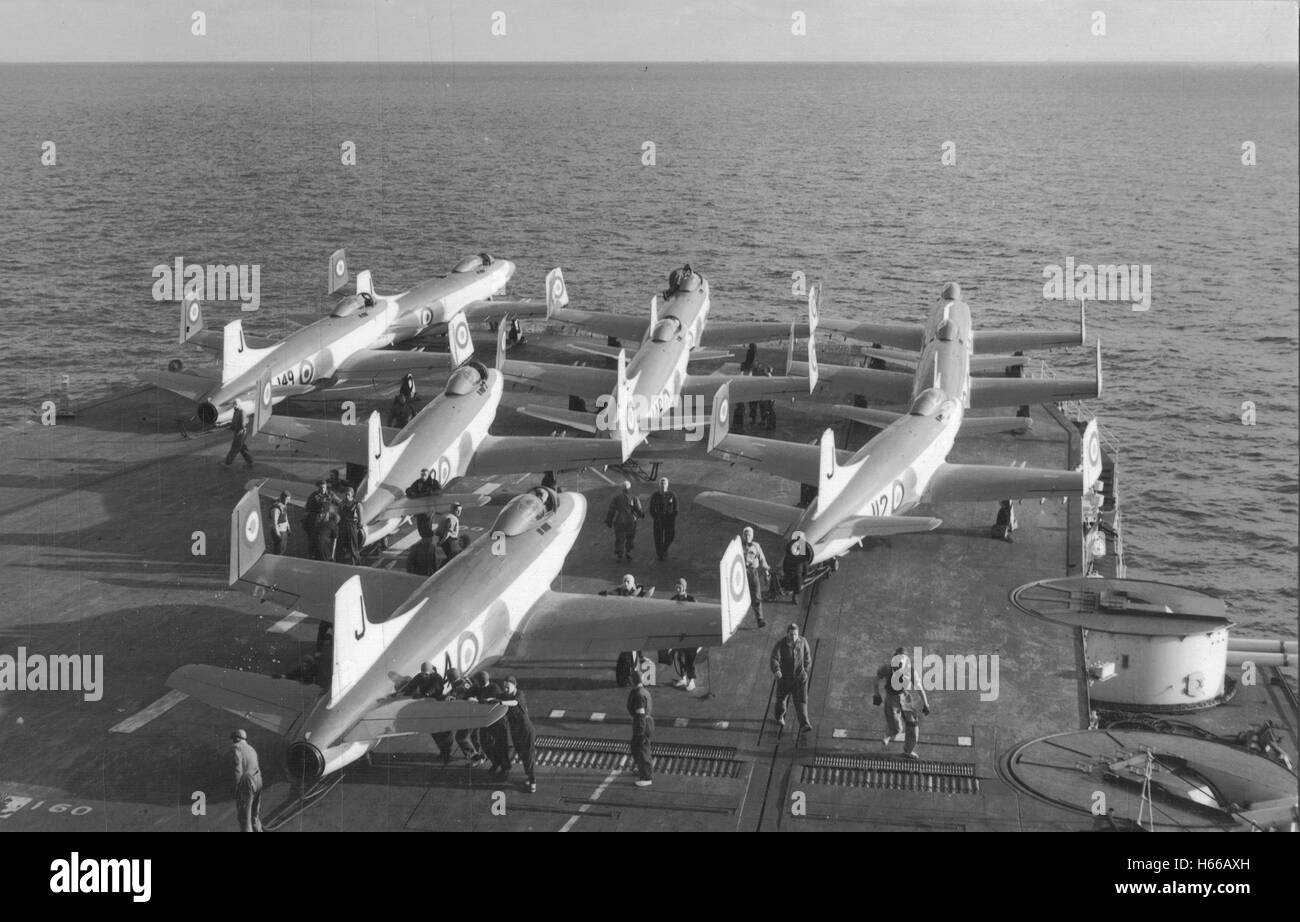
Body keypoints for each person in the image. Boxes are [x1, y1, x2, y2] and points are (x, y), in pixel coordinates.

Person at [874, 647, 931, 759]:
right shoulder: (887, 668)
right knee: (897, 729)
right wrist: (876, 694)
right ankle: (889, 732)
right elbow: (876, 679)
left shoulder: (911, 671)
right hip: (891, 699)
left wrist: (926, 704)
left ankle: (908, 751)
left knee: (913, 726)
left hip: (905, 698)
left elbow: (919, 688)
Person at [770, 623, 813, 733]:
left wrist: (806, 670)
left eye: (795, 634)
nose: (793, 637)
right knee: (781, 700)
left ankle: (804, 724)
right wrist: (777, 670)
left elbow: (807, 657)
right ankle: (779, 716)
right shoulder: (780, 644)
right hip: (785, 679)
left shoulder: (803, 642)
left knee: (801, 701)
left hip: (799, 679)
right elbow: (774, 658)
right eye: (791, 634)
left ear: (798, 634)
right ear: (787, 634)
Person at [499, 676, 537, 792]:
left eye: (507, 687)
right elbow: (497, 697)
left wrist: (501, 702)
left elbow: (515, 702)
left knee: (529, 756)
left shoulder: (519, 694)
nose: (505, 689)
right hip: (516, 731)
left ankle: (533, 781)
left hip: (526, 730)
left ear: (514, 685)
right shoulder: (506, 696)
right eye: (504, 687)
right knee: (523, 755)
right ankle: (529, 777)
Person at [470, 671, 511, 777]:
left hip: (497, 721)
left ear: (481, 681)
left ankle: (505, 768)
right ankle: (496, 763)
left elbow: (493, 702)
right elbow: (469, 693)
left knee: (501, 746)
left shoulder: (494, 689)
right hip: (486, 721)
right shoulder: (478, 688)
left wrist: (479, 701)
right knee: (485, 743)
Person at [444, 668, 485, 765]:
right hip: (477, 712)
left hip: (469, 715)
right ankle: (482, 755)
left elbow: (454, 696)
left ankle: (476, 758)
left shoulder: (458, 687)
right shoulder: (466, 680)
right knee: (474, 736)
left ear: (451, 679)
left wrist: (449, 697)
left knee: (461, 737)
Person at [669, 578, 699, 691]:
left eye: (680, 586)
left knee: (689, 658)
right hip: (678, 633)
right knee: (680, 656)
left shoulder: (692, 600)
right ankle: (683, 677)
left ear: (684, 587)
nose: (678, 588)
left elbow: (697, 615)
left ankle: (691, 680)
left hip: (690, 633)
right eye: (676, 586)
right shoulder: (672, 600)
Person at [231, 728, 263, 832]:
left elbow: (238, 769)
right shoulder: (251, 748)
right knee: (255, 816)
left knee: (244, 817)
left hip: (248, 781)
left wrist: (236, 787)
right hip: (258, 779)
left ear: (237, 738)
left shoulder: (237, 748)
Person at [605, 481, 645, 561]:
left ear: (622, 488)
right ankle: (628, 551)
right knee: (630, 536)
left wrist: (609, 520)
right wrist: (641, 515)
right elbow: (639, 509)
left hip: (620, 520)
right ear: (629, 488)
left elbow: (611, 510)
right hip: (631, 520)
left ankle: (620, 554)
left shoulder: (617, 498)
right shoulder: (634, 497)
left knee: (619, 537)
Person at [627, 671, 654, 787]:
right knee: (635, 747)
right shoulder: (642, 691)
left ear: (632, 680)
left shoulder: (639, 695)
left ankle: (647, 777)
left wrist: (640, 732)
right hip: (643, 722)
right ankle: (642, 769)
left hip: (642, 724)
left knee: (642, 749)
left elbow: (640, 714)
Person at [741, 527, 770, 628]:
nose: (747, 536)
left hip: (753, 573)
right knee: (739, 597)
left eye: (749, 535)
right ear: (742, 535)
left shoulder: (756, 546)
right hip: (741, 573)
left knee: (757, 596)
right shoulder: (737, 546)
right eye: (745, 534)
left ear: (752, 536)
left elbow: (762, 559)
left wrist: (766, 571)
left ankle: (760, 619)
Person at [648, 477, 679, 561]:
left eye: (665, 484)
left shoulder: (672, 495)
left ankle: (664, 549)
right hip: (658, 520)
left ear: (667, 485)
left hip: (669, 520)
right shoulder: (655, 495)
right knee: (658, 537)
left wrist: (672, 518)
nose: (663, 485)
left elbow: (676, 508)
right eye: (661, 484)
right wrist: (655, 517)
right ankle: (660, 554)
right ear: (659, 485)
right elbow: (651, 508)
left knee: (670, 536)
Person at [334, 486, 364, 564]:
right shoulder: (342, 504)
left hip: (352, 525)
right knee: (340, 544)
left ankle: (356, 561)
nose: (347, 496)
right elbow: (338, 514)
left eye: (349, 494)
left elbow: (360, 519)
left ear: (352, 495)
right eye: (346, 494)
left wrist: (359, 525)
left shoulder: (357, 504)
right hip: (343, 525)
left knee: (353, 545)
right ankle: (338, 561)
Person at [782, 531, 815, 604]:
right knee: (791, 584)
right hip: (790, 574)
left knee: (797, 585)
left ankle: (795, 595)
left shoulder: (802, 557)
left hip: (797, 576)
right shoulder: (791, 555)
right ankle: (793, 593)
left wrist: (802, 579)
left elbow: (805, 570)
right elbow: (785, 565)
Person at [303, 479, 331, 559]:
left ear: (326, 487)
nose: (323, 489)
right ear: (318, 488)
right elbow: (307, 508)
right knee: (313, 537)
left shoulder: (329, 494)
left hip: (325, 518)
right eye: (321, 488)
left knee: (323, 536)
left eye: (324, 488)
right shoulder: (313, 496)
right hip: (315, 518)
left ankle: (322, 553)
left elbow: (338, 501)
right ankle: (312, 554)